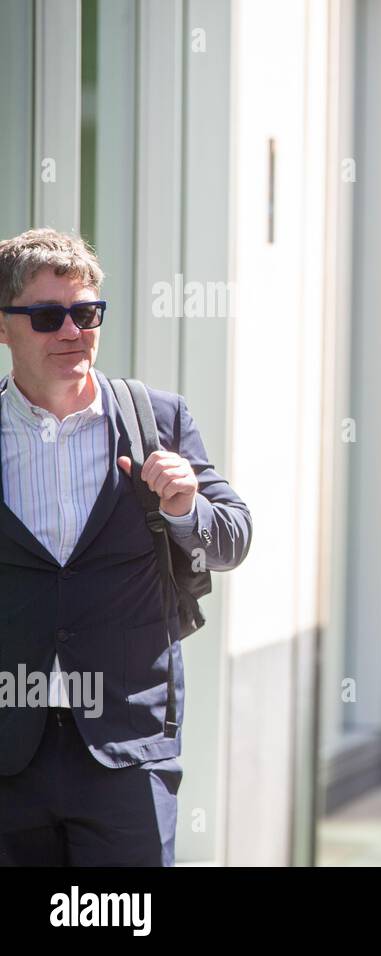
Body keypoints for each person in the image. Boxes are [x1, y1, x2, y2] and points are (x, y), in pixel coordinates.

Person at [0, 228, 251, 866]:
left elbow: (233, 537)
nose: (71, 332)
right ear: (4, 328)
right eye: (47, 316)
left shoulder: (155, 420)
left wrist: (185, 507)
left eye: (85, 314)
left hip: (127, 753)